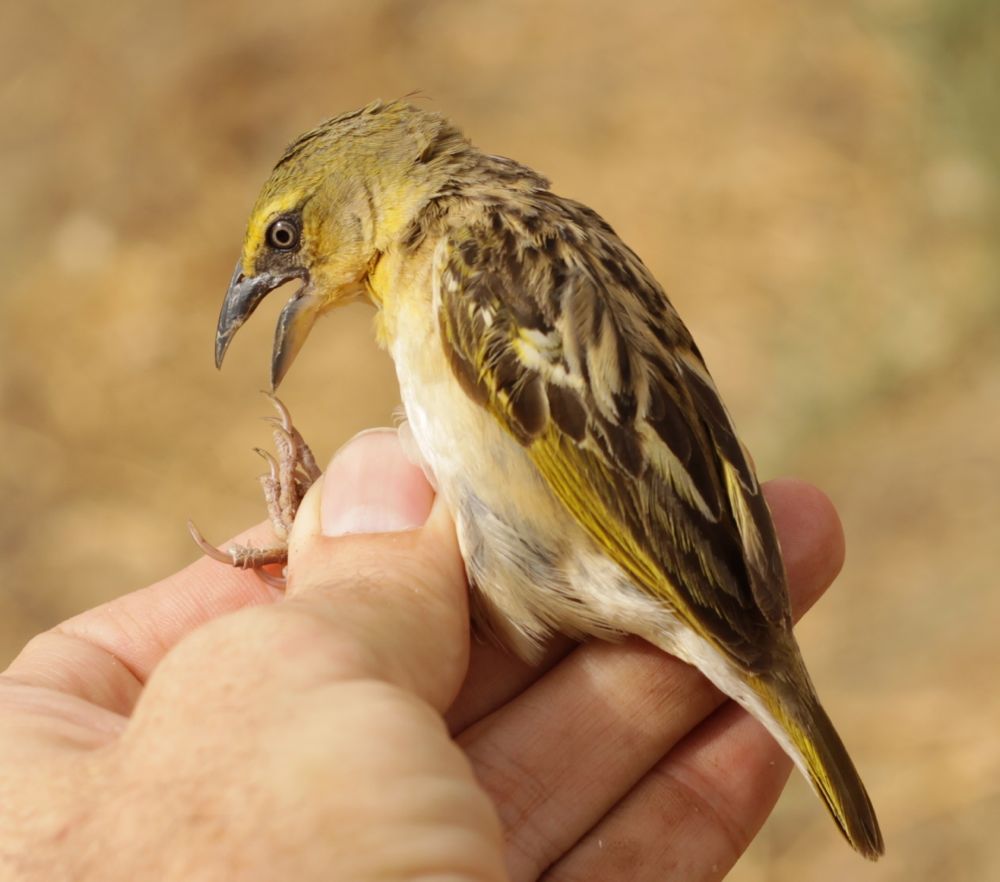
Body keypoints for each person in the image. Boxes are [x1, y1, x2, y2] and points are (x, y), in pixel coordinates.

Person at [0, 429, 846, 881]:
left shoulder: (468, 273)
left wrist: (345, 568)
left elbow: (529, 543)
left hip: (623, 565)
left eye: (286, 242)